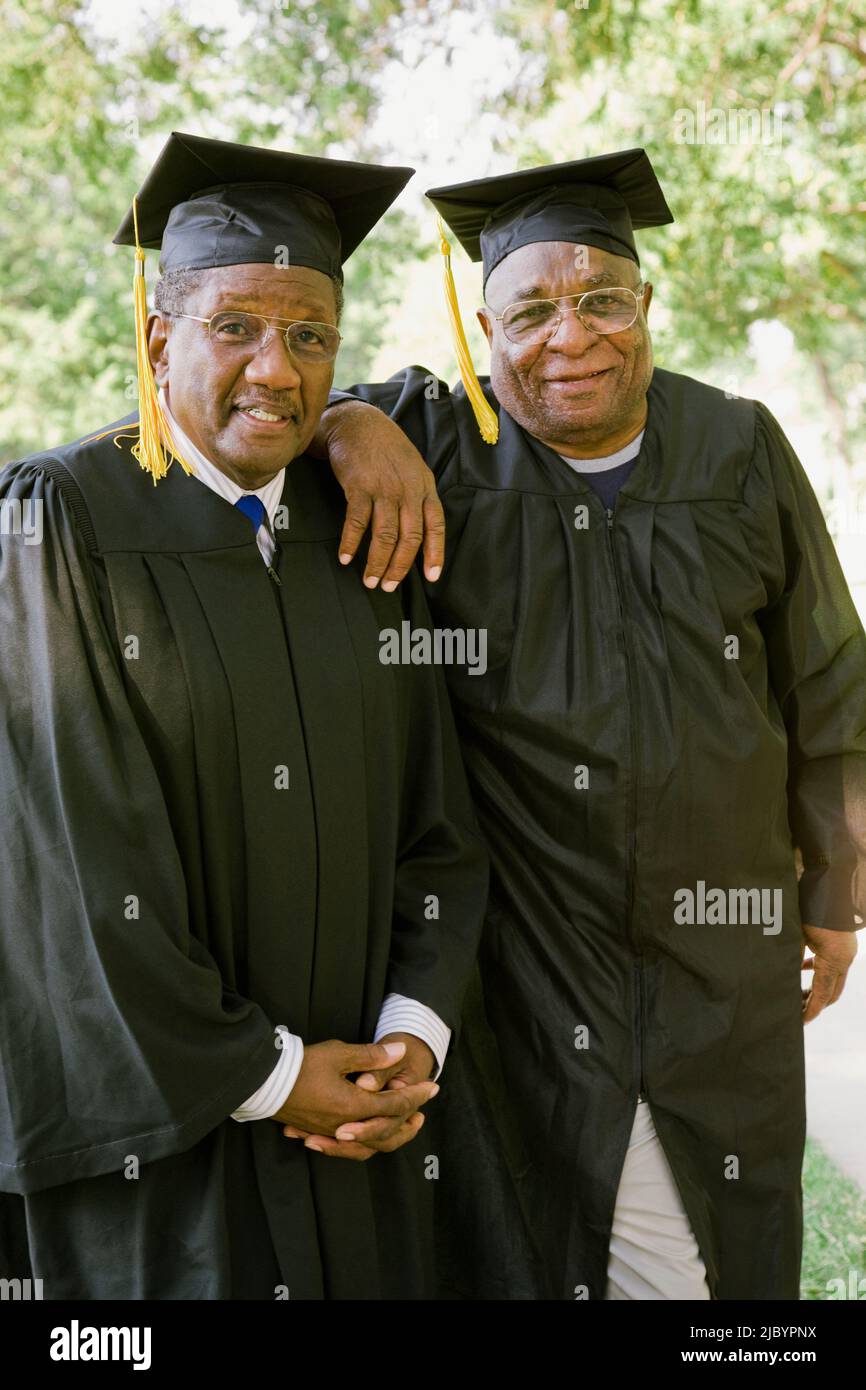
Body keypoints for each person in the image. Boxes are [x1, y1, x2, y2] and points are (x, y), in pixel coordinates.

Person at [309, 148, 866, 1300]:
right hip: (530, 949)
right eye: (531, 311)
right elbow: (222, 415)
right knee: (548, 1224)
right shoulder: (435, 441)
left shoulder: (738, 446)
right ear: (483, 327)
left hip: (722, 944)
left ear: (646, 305)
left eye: (601, 299)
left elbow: (826, 683)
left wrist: (830, 898)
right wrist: (343, 420)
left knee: (731, 1238)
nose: (570, 337)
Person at [0, 131, 488, 1300]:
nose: (277, 368)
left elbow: (440, 822)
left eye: (310, 336)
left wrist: (408, 1039)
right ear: (160, 337)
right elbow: (69, 859)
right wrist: (271, 1075)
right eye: (236, 328)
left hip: (360, 1121)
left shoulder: (366, 527)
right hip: (164, 1139)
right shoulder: (61, 517)